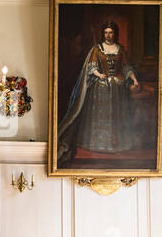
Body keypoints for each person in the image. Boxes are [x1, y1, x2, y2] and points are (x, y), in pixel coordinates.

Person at [57, 21, 140, 163]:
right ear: (103, 34)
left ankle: (118, 144)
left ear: (115, 33)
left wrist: (135, 80)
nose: (108, 35)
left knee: (117, 116)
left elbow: (126, 67)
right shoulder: (97, 49)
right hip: (101, 88)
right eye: (106, 32)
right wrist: (98, 74)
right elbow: (92, 66)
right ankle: (98, 144)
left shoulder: (120, 49)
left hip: (118, 88)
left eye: (111, 32)